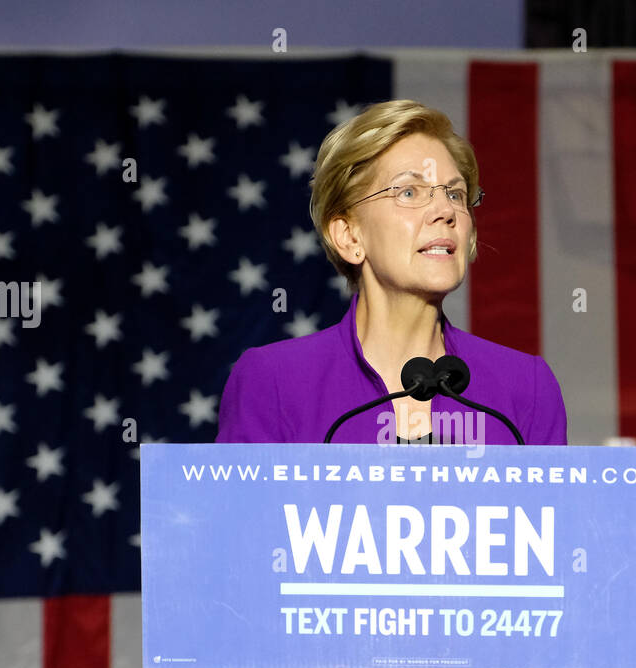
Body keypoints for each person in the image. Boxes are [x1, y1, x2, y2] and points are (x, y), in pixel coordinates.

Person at [215, 99, 566, 446]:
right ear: (349, 235)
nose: (445, 210)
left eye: (456, 194)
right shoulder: (275, 381)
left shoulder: (526, 389)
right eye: (410, 191)